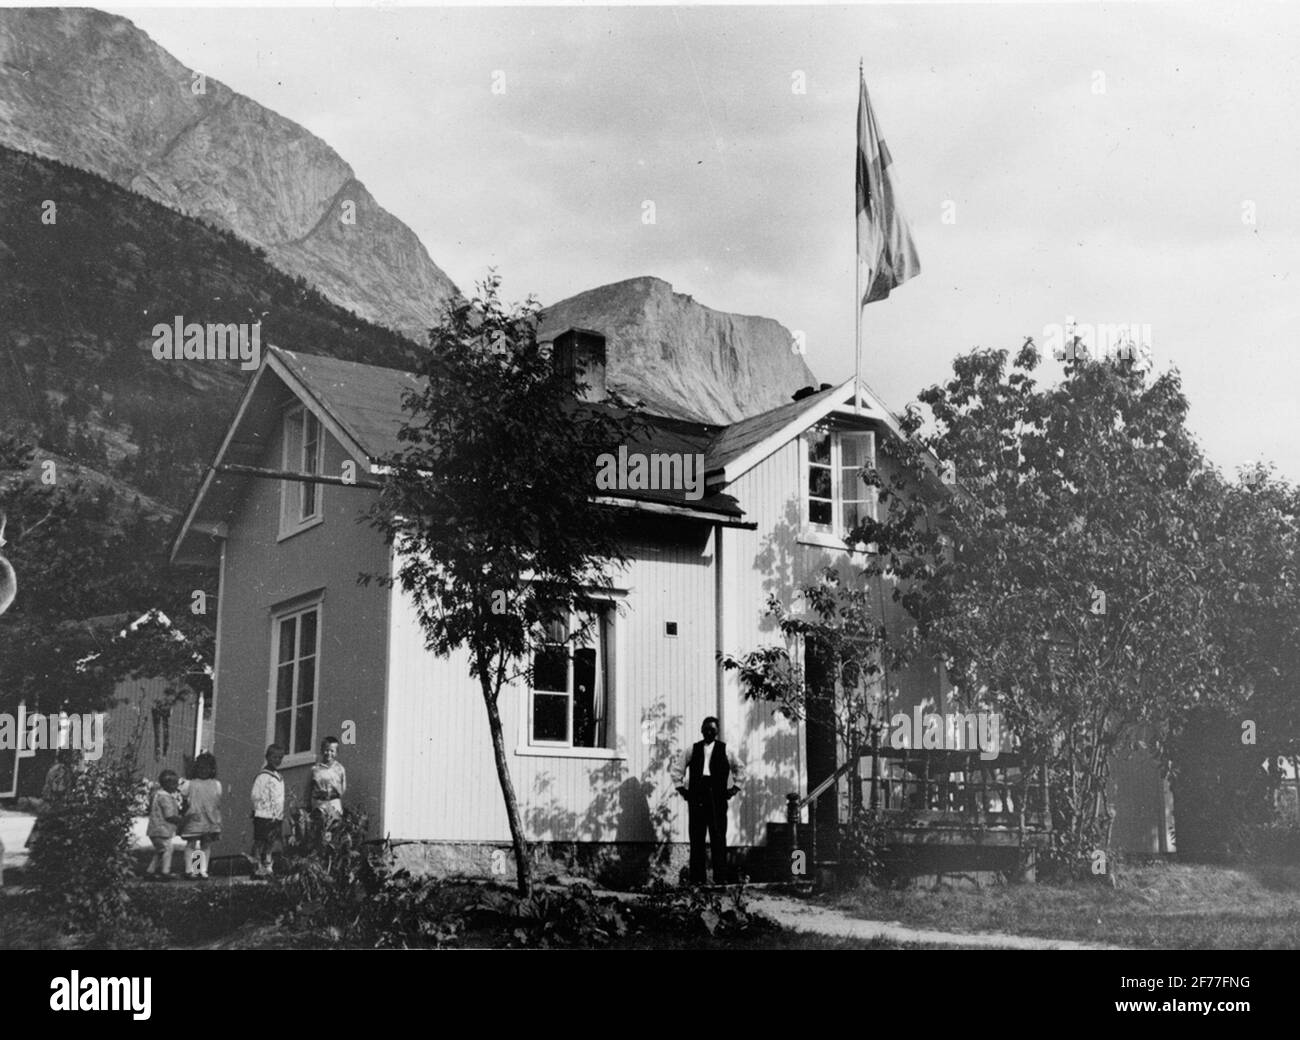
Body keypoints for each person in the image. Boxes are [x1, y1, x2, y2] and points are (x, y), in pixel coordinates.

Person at [672, 716, 745, 885]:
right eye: (706, 729)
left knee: (718, 837)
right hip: (697, 797)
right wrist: (682, 789)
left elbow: (740, 769)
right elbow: (677, 769)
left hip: (717, 798)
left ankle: (720, 879)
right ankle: (697, 880)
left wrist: (734, 789)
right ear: (701, 730)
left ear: (717, 731)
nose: (709, 732)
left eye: (712, 729)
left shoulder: (726, 750)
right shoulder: (693, 749)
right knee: (696, 837)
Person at [24, 748, 83, 850]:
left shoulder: (56, 767)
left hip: (49, 802)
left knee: (44, 824)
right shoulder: (62, 770)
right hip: (54, 802)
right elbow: (58, 788)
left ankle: (37, 846)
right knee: (51, 824)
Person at [181, 752, 222, 879]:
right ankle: (191, 870)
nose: (203, 770)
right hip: (194, 818)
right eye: (200, 767)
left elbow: (217, 800)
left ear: (212, 769)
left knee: (206, 844)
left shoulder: (216, 784)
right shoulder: (190, 784)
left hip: (210, 819)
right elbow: (183, 796)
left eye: (207, 768)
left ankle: (202, 870)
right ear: (196, 768)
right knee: (192, 844)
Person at [249, 744, 285, 878]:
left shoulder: (278, 776)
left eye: (280, 758)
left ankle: (267, 865)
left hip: (275, 816)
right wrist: (260, 808)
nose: (277, 760)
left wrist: (279, 813)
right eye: (274, 757)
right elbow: (255, 795)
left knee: (270, 841)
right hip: (263, 814)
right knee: (260, 841)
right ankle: (256, 866)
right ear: (267, 757)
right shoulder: (263, 776)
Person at [145, 770, 184, 881]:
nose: (176, 786)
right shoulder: (165, 797)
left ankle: (150, 871)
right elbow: (169, 816)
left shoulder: (158, 795)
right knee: (168, 849)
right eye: (174, 784)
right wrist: (181, 821)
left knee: (160, 851)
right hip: (162, 830)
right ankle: (165, 871)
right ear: (166, 784)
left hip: (154, 830)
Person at [307, 736, 346, 844]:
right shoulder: (315, 769)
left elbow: (342, 790)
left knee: (334, 832)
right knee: (319, 833)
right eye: (326, 750)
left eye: (332, 751)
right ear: (321, 750)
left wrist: (334, 786)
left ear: (336, 752)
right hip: (319, 804)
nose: (329, 753)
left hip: (333, 803)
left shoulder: (340, 769)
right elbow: (308, 789)